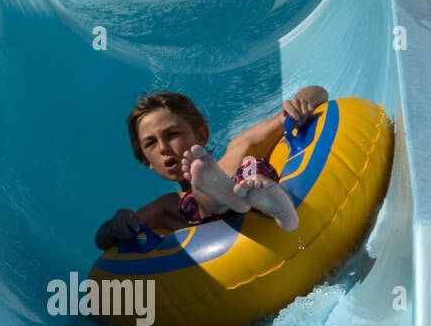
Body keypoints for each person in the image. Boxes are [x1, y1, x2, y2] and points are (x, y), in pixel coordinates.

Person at [94, 87, 328, 250]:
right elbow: (104, 239)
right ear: (147, 162)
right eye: (151, 143)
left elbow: (312, 96)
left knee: (248, 169)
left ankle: (266, 201)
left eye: (171, 134)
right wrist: (119, 220)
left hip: (246, 186)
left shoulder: (237, 148)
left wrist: (301, 101)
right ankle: (221, 195)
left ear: (202, 135)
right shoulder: (169, 206)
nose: (164, 148)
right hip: (210, 212)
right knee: (197, 196)